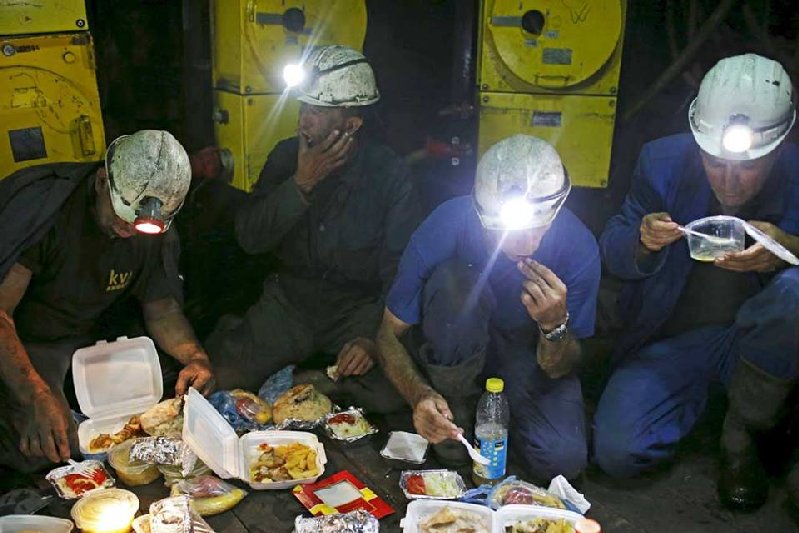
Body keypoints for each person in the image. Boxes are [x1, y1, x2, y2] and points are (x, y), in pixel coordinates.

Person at [594, 54, 799, 511]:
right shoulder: (662, 162)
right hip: (678, 341)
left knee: (795, 293)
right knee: (618, 449)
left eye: (746, 167)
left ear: (779, 148)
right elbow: (611, 244)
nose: (729, 180)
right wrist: (643, 240)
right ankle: (710, 410)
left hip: (761, 343)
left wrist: (788, 249)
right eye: (714, 162)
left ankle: (742, 435)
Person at [205, 45, 419, 410]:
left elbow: (399, 275)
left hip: (354, 309)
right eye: (304, 108)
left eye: (318, 112)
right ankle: (302, 374)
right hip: (289, 303)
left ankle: (316, 380)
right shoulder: (286, 156)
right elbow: (250, 238)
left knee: (390, 396)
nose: (305, 120)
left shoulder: (389, 175)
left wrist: (371, 338)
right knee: (222, 377)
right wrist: (300, 184)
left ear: (352, 124)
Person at [375, 135, 600, 479]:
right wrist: (418, 395)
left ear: (555, 210)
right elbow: (388, 333)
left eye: (536, 229)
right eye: (505, 231)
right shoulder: (446, 223)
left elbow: (560, 368)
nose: (523, 243)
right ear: (480, 212)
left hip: (524, 354)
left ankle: (500, 417)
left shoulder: (578, 247)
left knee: (562, 460)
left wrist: (554, 326)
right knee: (456, 284)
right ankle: (455, 411)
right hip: (456, 345)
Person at [0, 130, 216, 471]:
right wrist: (33, 396)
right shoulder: (45, 210)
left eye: (140, 226)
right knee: (51, 443)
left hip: (89, 339)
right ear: (102, 181)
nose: (129, 230)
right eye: (122, 217)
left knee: (166, 414)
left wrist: (196, 357)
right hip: (27, 339)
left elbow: (162, 309)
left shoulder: (151, 228)